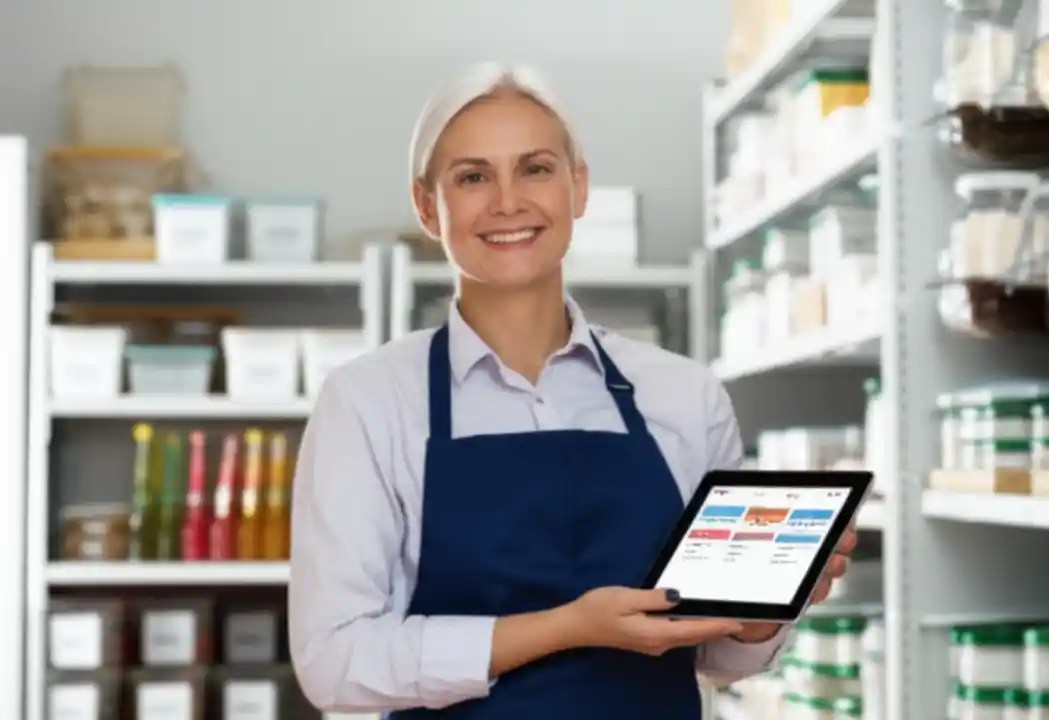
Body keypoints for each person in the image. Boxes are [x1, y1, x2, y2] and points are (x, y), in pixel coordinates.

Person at [288, 63, 857, 719]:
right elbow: (335, 662)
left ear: (577, 187)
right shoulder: (369, 402)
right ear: (426, 206)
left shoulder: (683, 395)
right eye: (473, 177)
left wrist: (761, 615)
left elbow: (718, 659)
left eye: (535, 169)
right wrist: (567, 628)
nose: (508, 202)